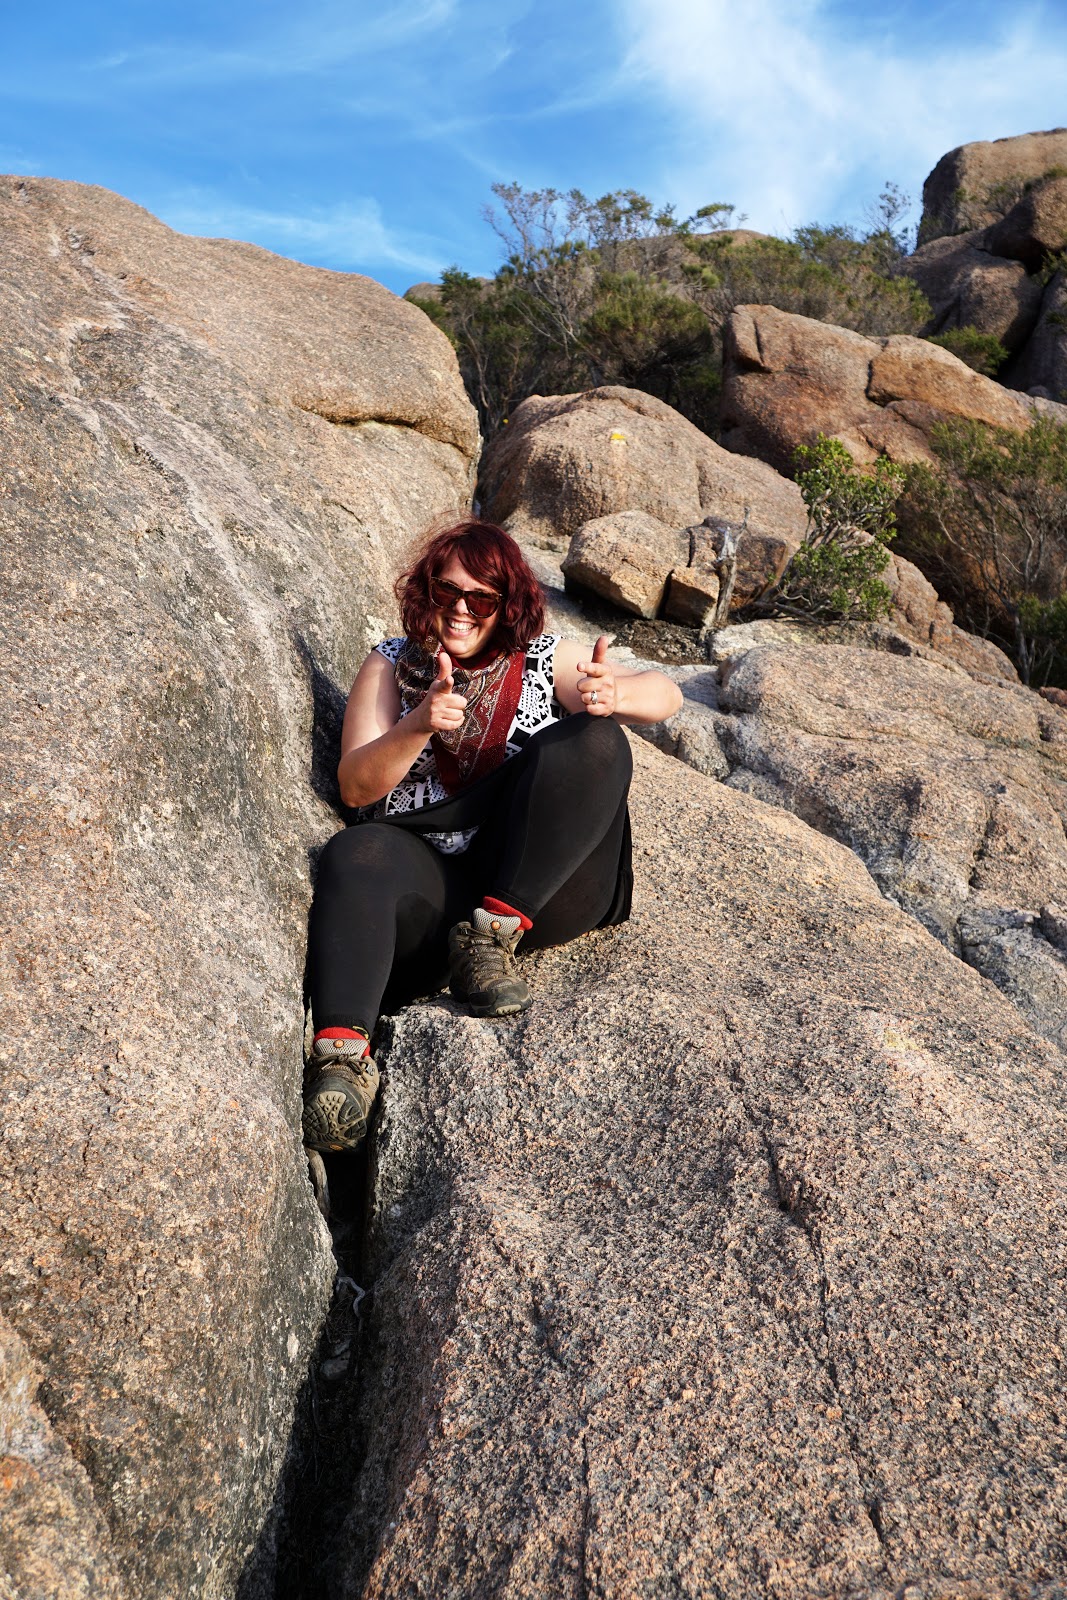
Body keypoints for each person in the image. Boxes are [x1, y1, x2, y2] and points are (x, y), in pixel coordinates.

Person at [301, 515, 682, 1153]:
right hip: (435, 882)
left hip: (540, 882)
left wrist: (614, 693)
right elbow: (357, 789)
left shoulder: (542, 658)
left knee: (595, 738)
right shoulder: (391, 665)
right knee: (356, 850)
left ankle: (490, 939)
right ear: (426, 592)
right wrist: (417, 725)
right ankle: (342, 1065)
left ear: (507, 606)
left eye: (481, 600)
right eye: (448, 592)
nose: (461, 609)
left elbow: (666, 693)